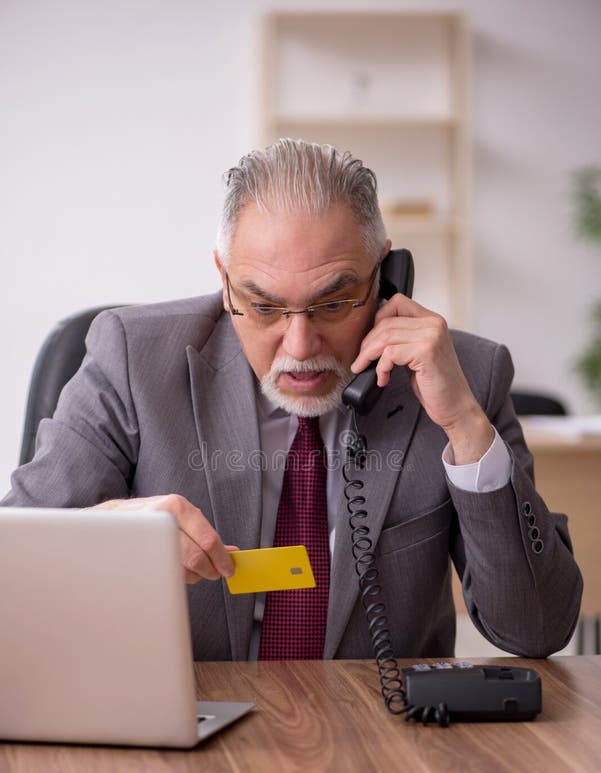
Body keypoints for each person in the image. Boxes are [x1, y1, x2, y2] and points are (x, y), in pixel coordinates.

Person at [2, 138, 582, 661]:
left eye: (333, 304)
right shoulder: (132, 358)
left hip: (384, 739)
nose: (300, 346)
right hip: (186, 727)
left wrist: (465, 427)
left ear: (386, 274)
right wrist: (107, 532)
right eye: (264, 307)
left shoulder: (468, 376)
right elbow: (14, 563)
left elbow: (537, 629)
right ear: (224, 278)